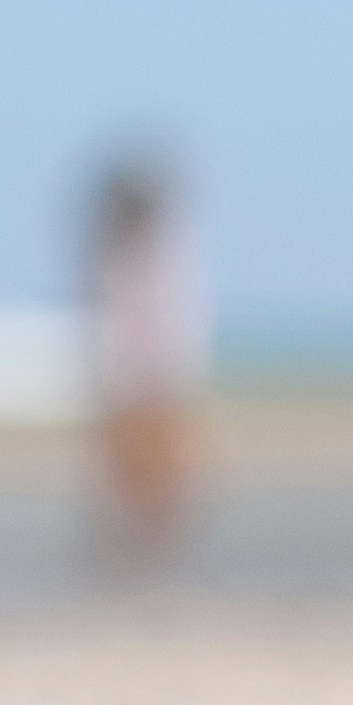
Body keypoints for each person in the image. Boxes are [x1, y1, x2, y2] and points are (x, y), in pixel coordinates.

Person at [80, 145, 201, 576]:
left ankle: (151, 553)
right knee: (128, 473)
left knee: (159, 473)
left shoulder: (160, 256)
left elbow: (172, 322)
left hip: (153, 378)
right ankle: (134, 553)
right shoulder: (115, 259)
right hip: (129, 379)